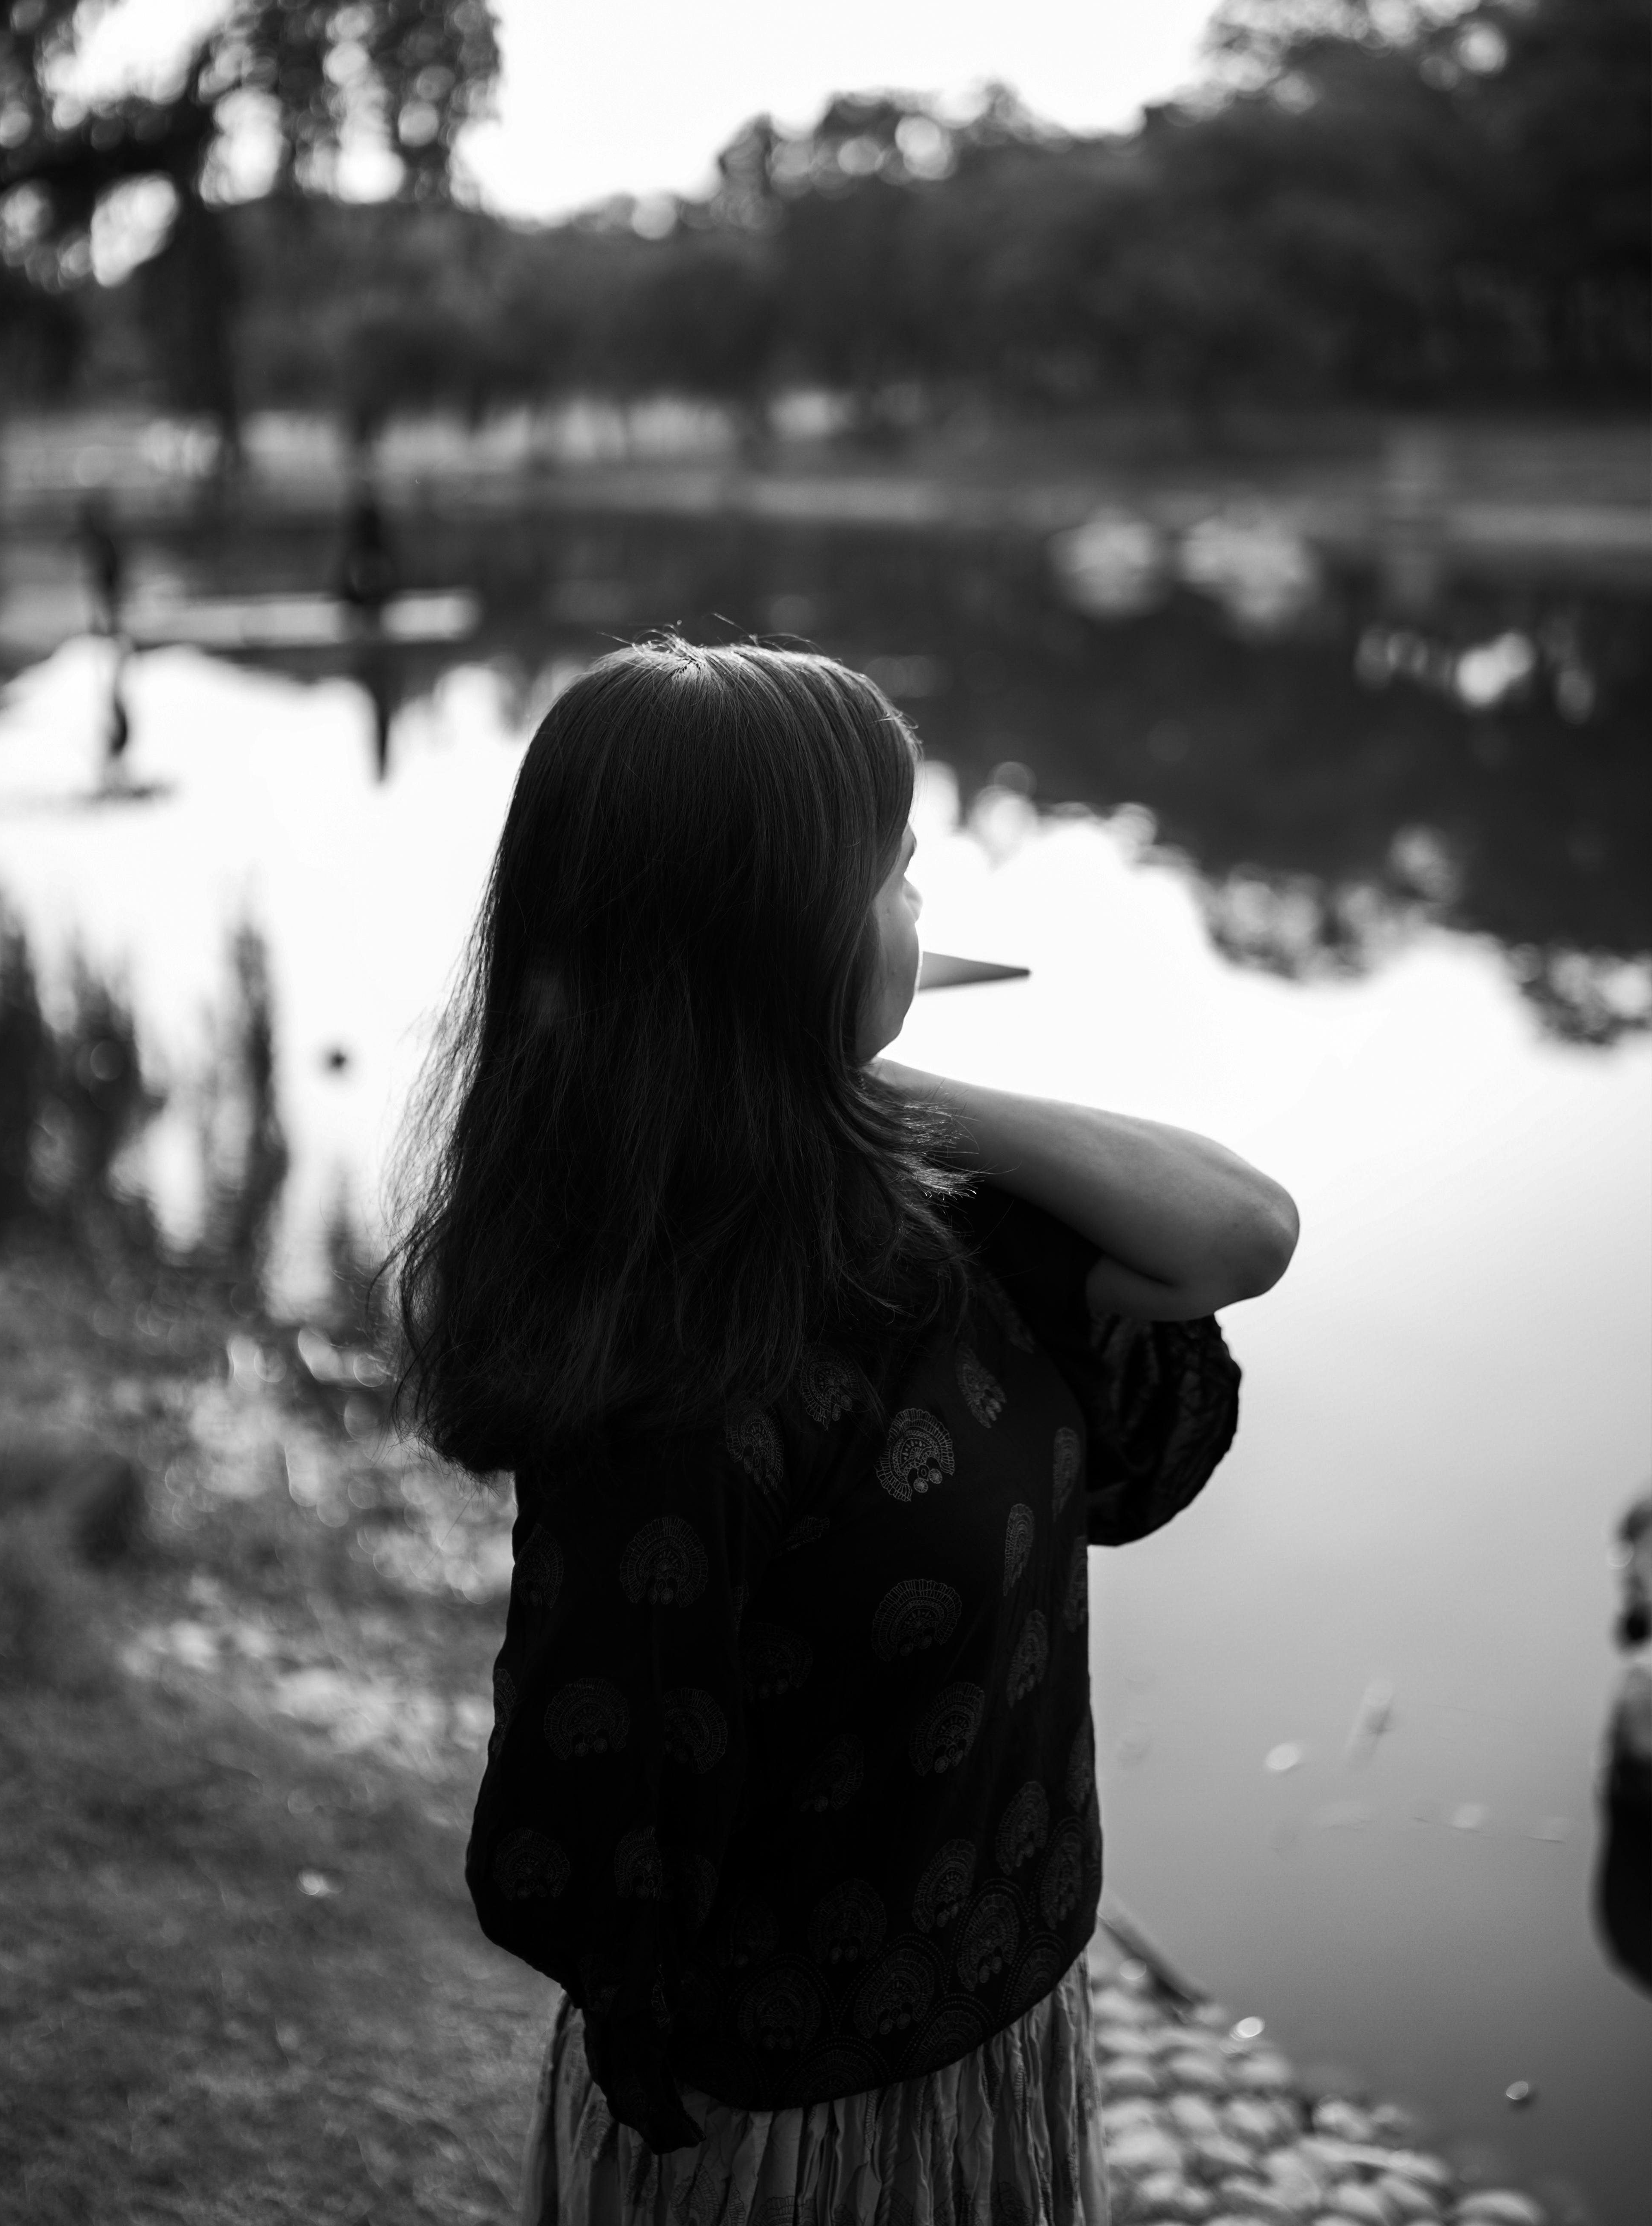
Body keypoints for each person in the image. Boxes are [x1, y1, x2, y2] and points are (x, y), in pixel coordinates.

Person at [391, 640, 1299, 2225]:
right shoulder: (671, 1363)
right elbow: (591, 1836)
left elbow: (1243, 1231)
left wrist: (858, 1082)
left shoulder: (933, 1219)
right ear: (777, 934)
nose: (922, 907)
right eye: (891, 878)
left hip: (1004, 2029)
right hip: (785, 2123)